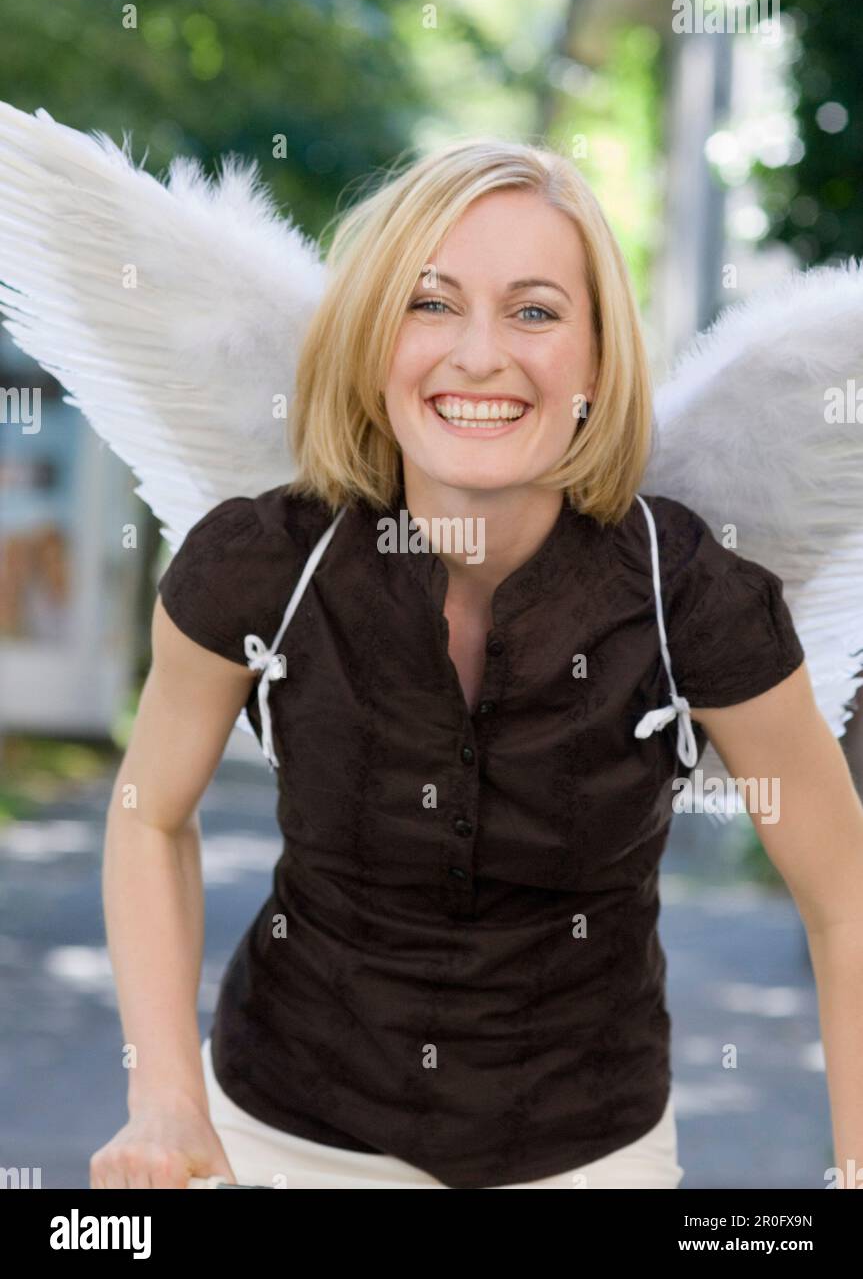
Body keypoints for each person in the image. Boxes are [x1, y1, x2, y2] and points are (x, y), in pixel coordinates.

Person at [90, 138, 863, 1190]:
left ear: (595, 363)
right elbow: (146, 810)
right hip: (277, 1137)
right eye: (429, 303)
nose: (478, 354)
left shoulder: (694, 596)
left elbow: (843, 896)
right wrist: (167, 1097)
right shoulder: (256, 563)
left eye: (535, 311)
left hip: (588, 1153)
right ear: (371, 341)